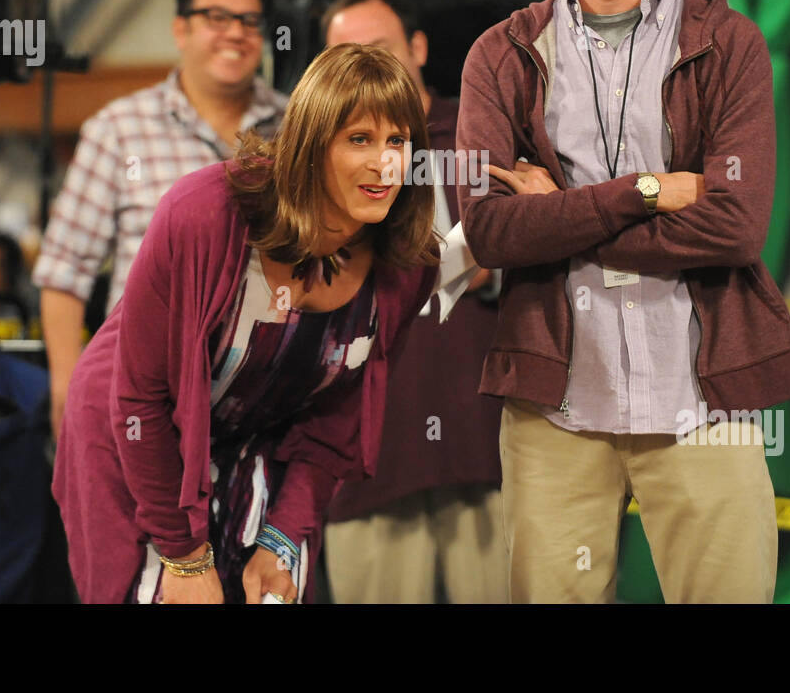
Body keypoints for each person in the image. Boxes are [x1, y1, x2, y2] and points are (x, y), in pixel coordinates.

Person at [456, 0, 790, 603]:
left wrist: (561, 217)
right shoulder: (501, 54)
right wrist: (644, 193)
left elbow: (733, 226)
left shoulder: (729, 43)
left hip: (701, 395)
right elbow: (487, 228)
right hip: (555, 403)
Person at [53, 44, 497, 604]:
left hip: (258, 439)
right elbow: (139, 400)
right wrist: (186, 560)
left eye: (397, 142)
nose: (385, 164)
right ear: (312, 145)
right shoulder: (204, 212)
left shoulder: (403, 268)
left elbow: (338, 423)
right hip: (137, 438)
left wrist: (281, 534)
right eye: (359, 139)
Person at [34, 0, 287, 437]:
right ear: (180, 29)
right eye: (217, 17)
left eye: (251, 22)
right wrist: (68, 391)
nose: (236, 33)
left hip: (266, 396)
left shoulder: (296, 128)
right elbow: (64, 272)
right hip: (143, 397)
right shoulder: (118, 129)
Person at [319, 0, 508, 604]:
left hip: (490, 438)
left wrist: (497, 260)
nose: (368, 70)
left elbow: (545, 249)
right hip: (366, 451)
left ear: (419, 47)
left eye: (380, 49)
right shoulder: (310, 161)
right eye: (346, 56)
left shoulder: (487, 128)